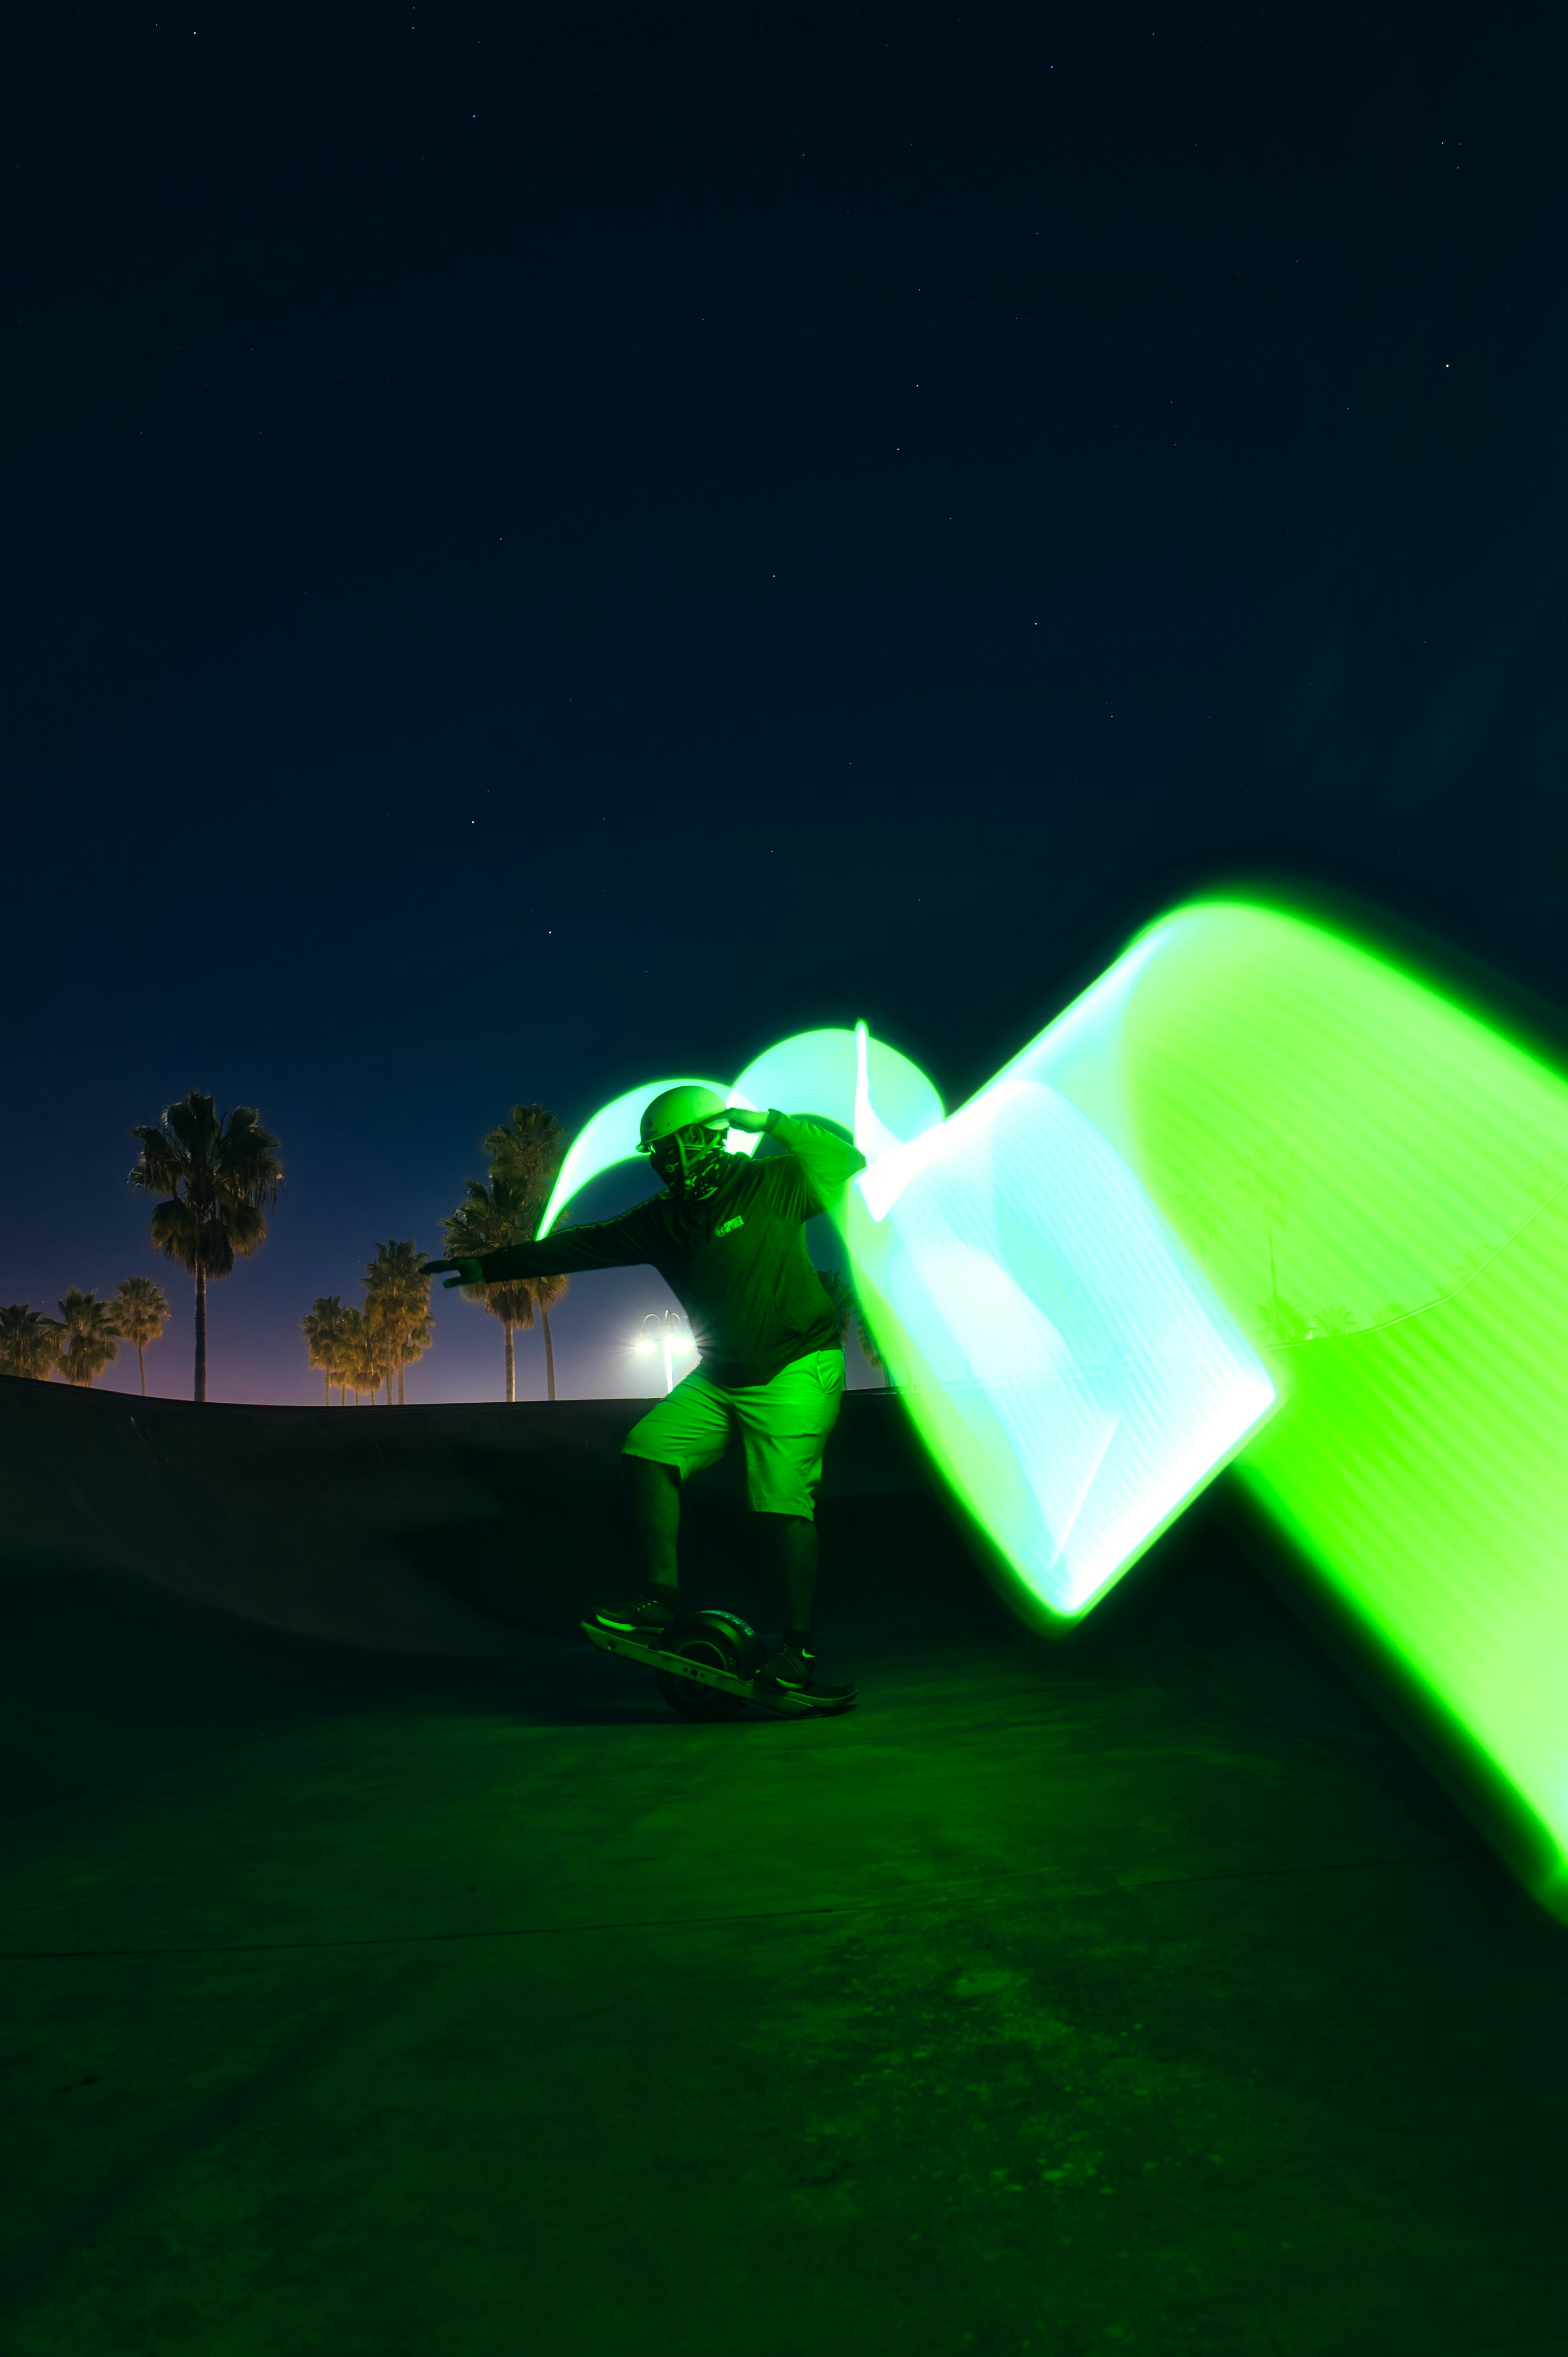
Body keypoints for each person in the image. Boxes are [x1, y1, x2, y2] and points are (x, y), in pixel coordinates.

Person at [422, 1087, 866, 1701]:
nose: (668, 1164)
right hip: (723, 1376)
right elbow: (583, 1244)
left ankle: (799, 1650)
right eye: (659, 1154)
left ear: (711, 1138)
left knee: (781, 1505)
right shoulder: (662, 1220)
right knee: (648, 1448)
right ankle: (661, 1600)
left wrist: (771, 1122)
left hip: (796, 1367)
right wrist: (490, 1267)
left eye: (677, 1148)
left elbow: (848, 1162)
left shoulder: (773, 1183)